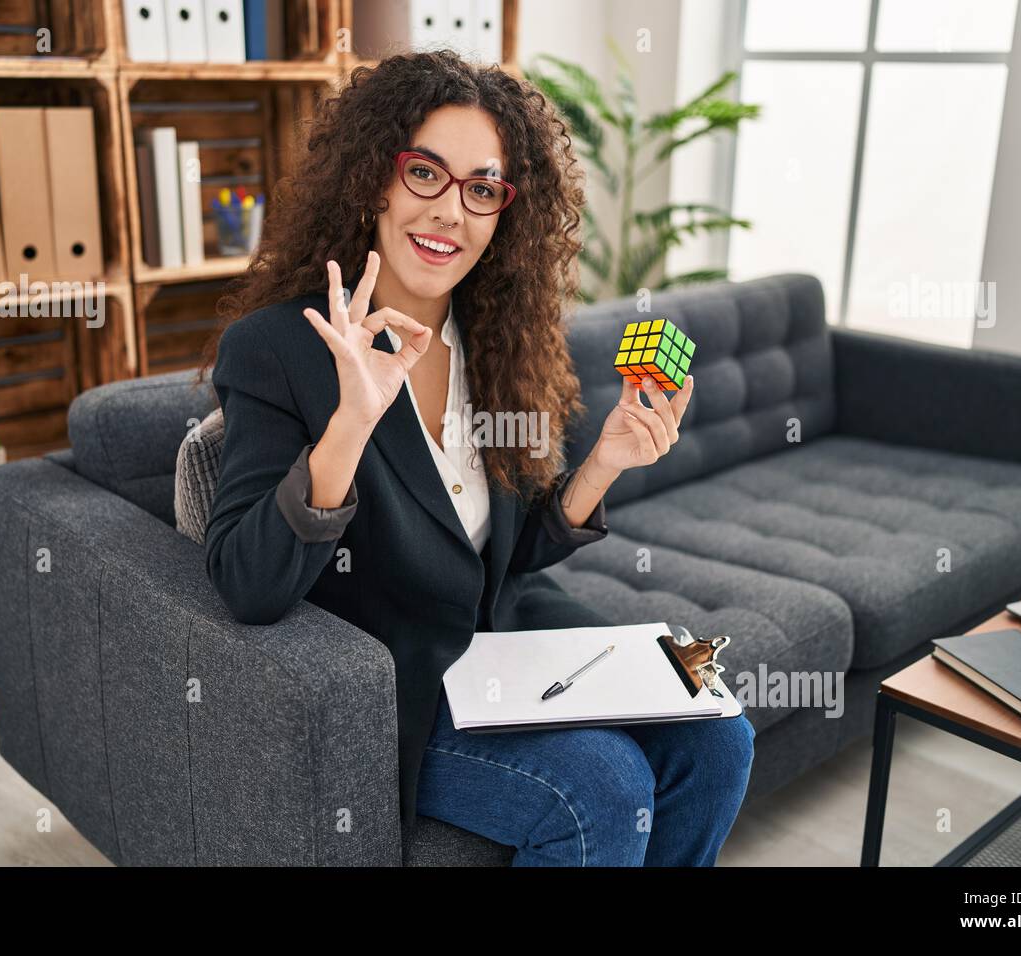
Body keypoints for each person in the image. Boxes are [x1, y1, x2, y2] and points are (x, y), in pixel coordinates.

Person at [197, 50, 753, 866]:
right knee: (601, 784)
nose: (450, 212)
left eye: (482, 188)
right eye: (425, 172)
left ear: (503, 214)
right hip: (405, 680)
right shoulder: (280, 348)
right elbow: (246, 584)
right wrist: (350, 423)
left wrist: (599, 467)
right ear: (373, 179)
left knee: (718, 737)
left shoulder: (502, 342)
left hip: (512, 644)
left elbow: (503, 560)